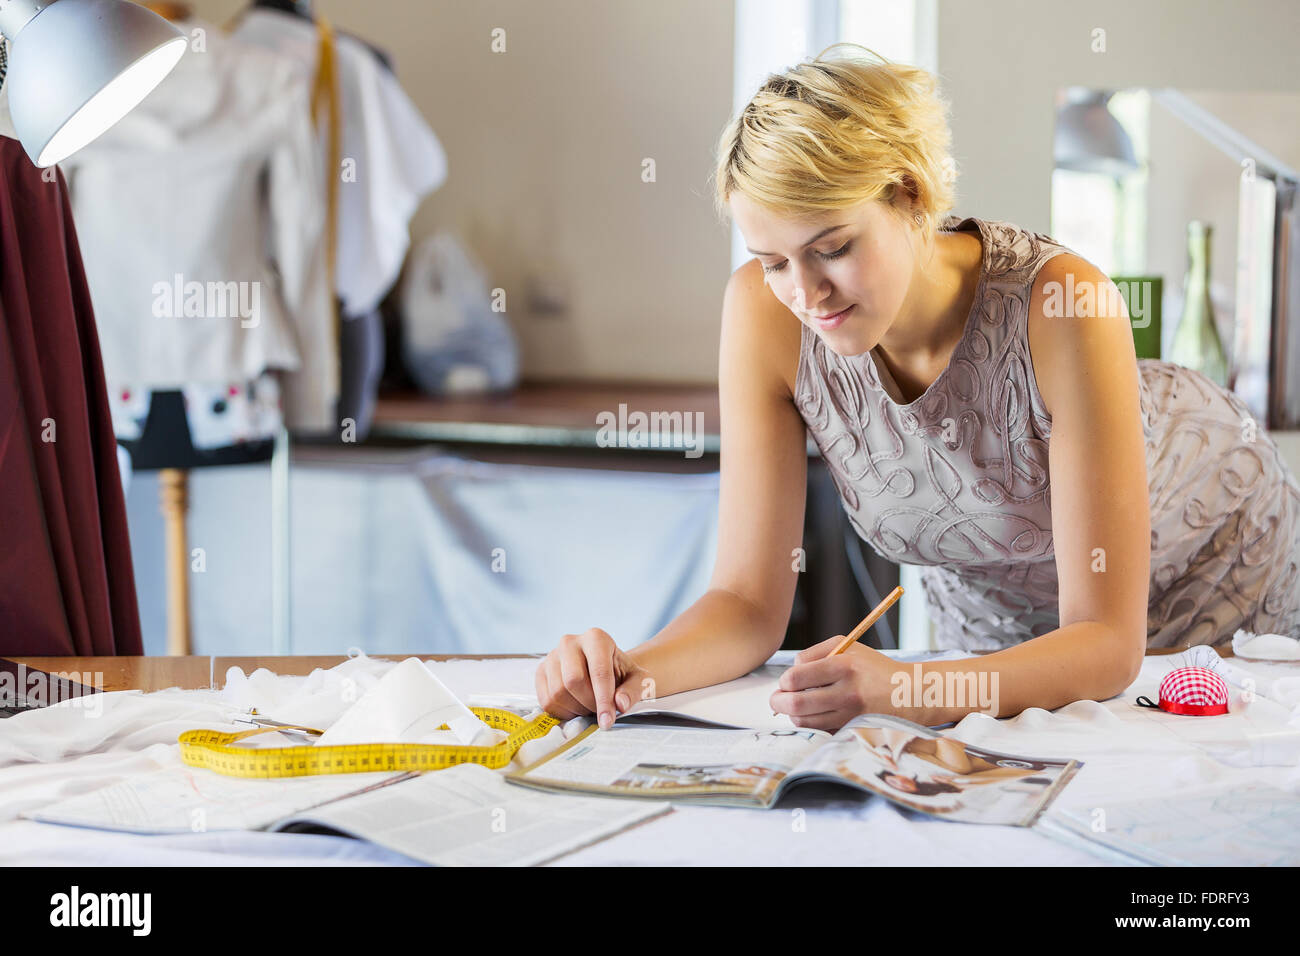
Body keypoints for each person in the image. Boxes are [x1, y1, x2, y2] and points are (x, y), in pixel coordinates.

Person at [534, 43, 1300, 732]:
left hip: (1209, 554)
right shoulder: (765, 314)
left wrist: (908, 689)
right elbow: (744, 604)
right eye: (771, 260)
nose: (805, 294)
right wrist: (635, 672)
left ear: (908, 194)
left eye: (831, 247)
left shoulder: (1065, 302)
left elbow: (1105, 645)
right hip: (1003, 617)